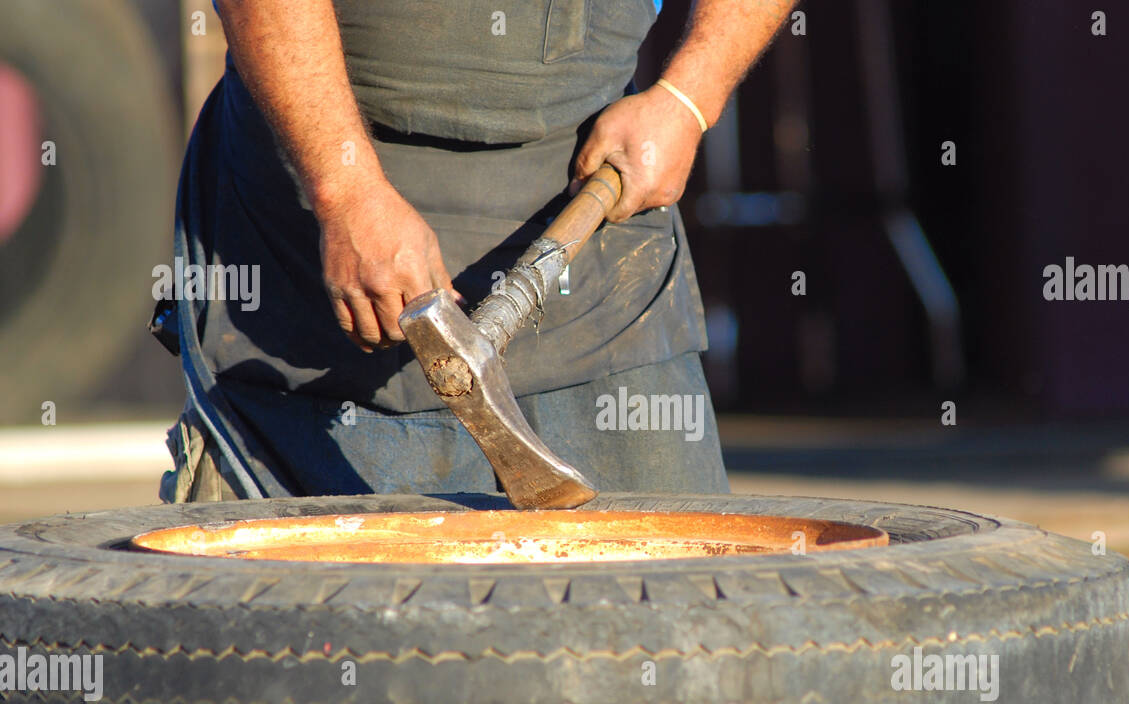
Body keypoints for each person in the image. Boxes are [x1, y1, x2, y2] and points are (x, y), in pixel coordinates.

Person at [158, 0, 798, 502]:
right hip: (330, 252)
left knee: (668, 626)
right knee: (360, 645)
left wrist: (690, 96)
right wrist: (345, 191)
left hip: (606, 263)